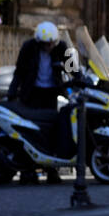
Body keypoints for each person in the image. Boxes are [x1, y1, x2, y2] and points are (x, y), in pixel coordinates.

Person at [12, 22, 68, 183]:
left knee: (51, 132)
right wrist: (12, 92)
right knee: (29, 132)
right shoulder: (29, 47)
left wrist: (79, 80)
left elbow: (74, 68)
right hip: (31, 94)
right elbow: (19, 72)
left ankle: (52, 170)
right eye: (45, 44)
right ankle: (28, 171)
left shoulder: (62, 47)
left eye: (51, 43)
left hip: (51, 94)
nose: (48, 47)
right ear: (39, 41)